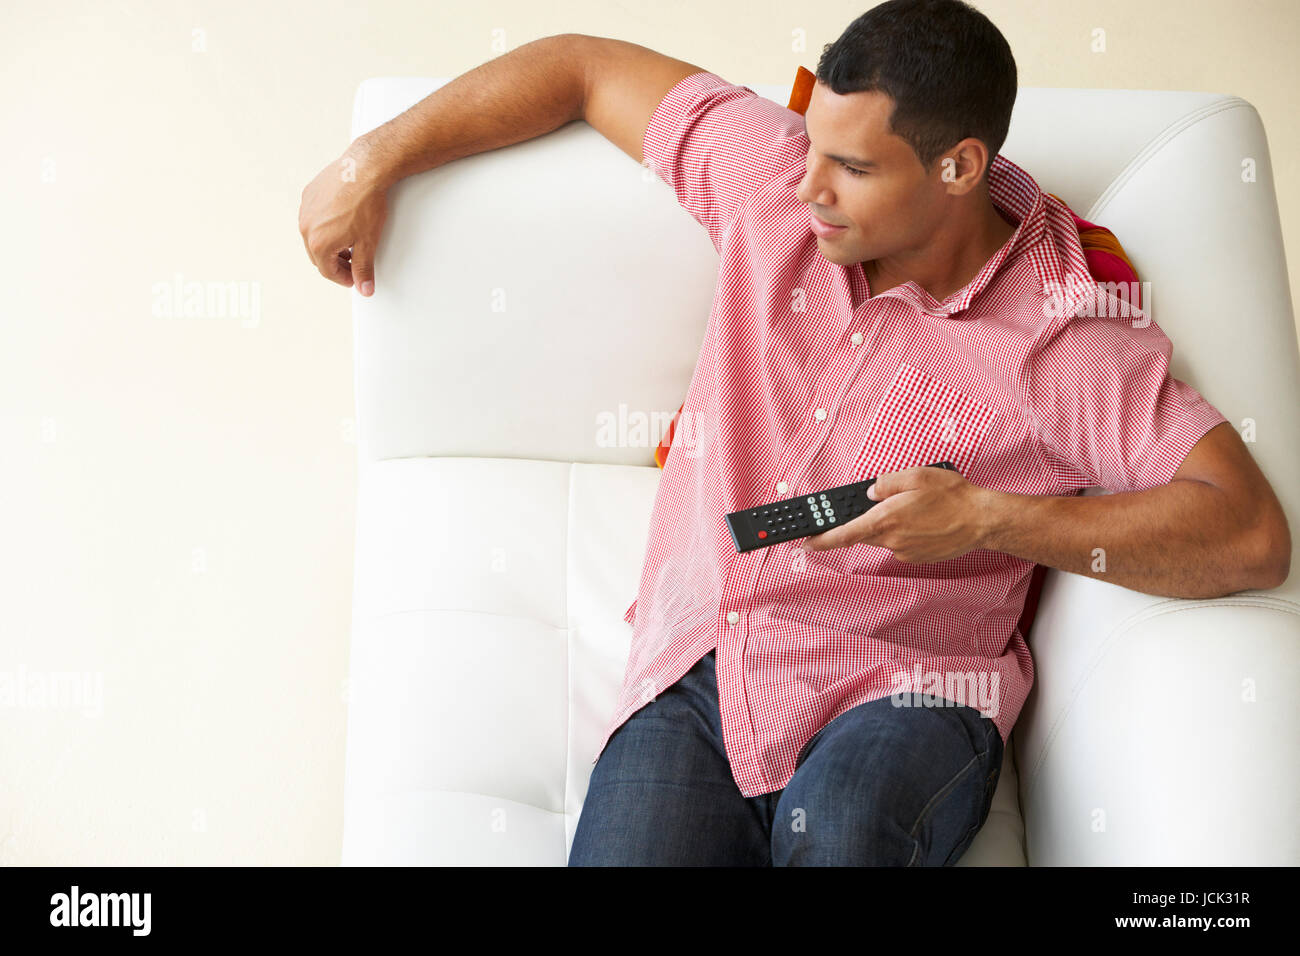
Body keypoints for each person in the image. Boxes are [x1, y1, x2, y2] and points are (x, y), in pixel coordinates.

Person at [299, 0, 1290, 866]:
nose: (808, 186)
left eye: (852, 167)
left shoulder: (1061, 337)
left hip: (903, 688)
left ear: (958, 166)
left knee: (847, 830)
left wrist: (994, 517)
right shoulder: (776, 185)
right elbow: (578, 64)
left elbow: (1248, 534)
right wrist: (370, 157)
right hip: (704, 665)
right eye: (811, 143)